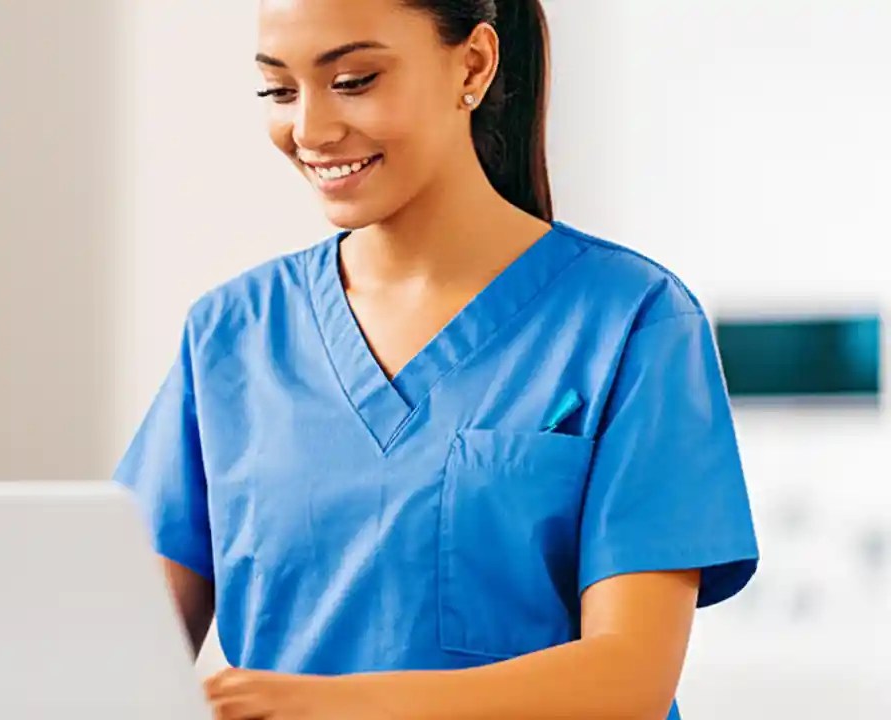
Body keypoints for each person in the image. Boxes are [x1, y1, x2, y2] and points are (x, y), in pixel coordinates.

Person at [114, 0, 759, 717]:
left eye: (353, 81)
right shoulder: (231, 334)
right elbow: (115, 659)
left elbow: (630, 679)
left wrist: (325, 707)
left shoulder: (632, 320)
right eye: (279, 90)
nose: (310, 130)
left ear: (473, 65)